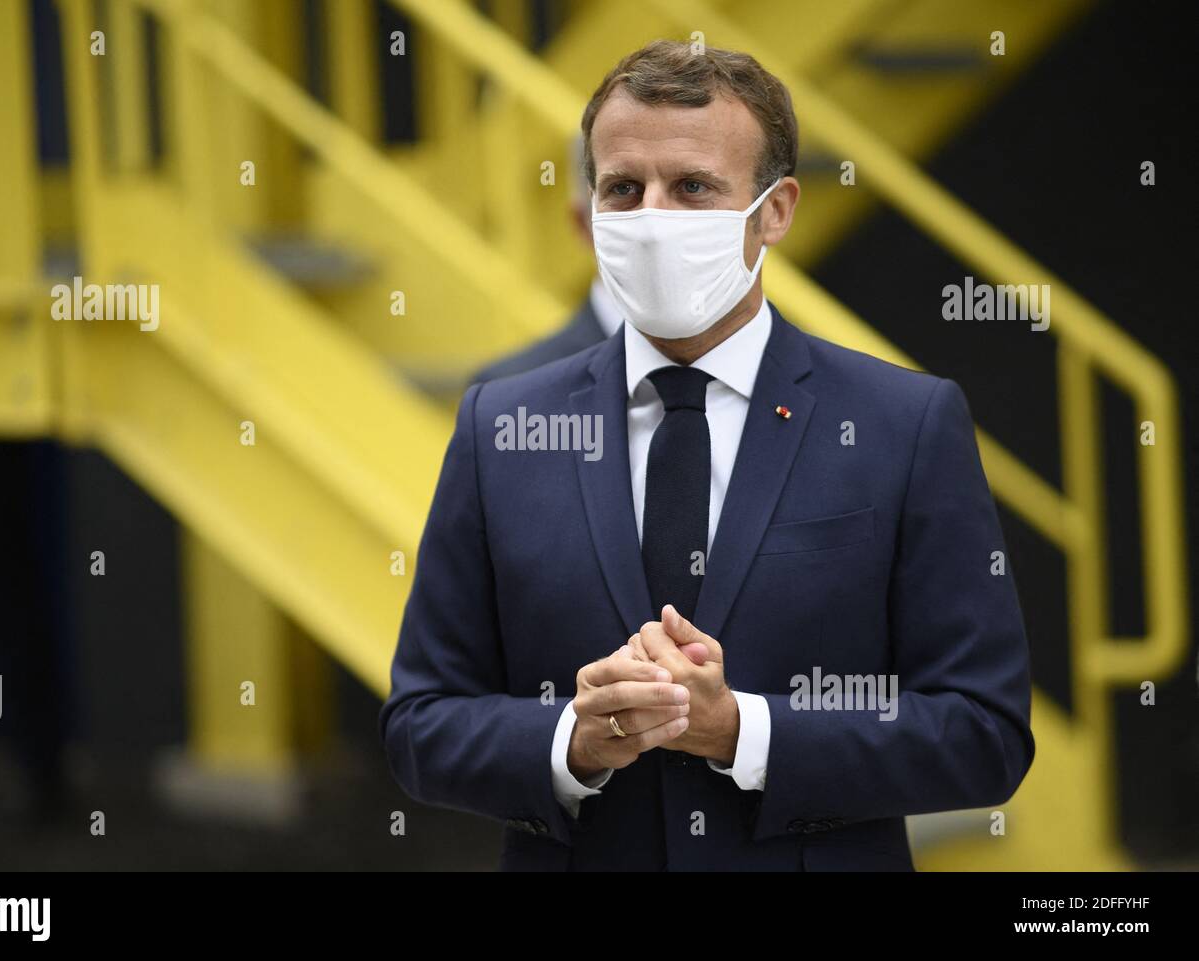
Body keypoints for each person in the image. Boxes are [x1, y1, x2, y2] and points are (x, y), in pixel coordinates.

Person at [380, 40, 1034, 871]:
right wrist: (568, 743)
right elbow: (419, 722)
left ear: (776, 210)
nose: (654, 216)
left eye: (692, 186)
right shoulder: (500, 423)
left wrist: (744, 731)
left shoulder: (904, 423)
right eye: (624, 187)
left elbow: (985, 731)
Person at [470, 137, 621, 384]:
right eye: (625, 190)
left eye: (692, 187)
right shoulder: (510, 393)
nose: (659, 215)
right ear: (583, 222)